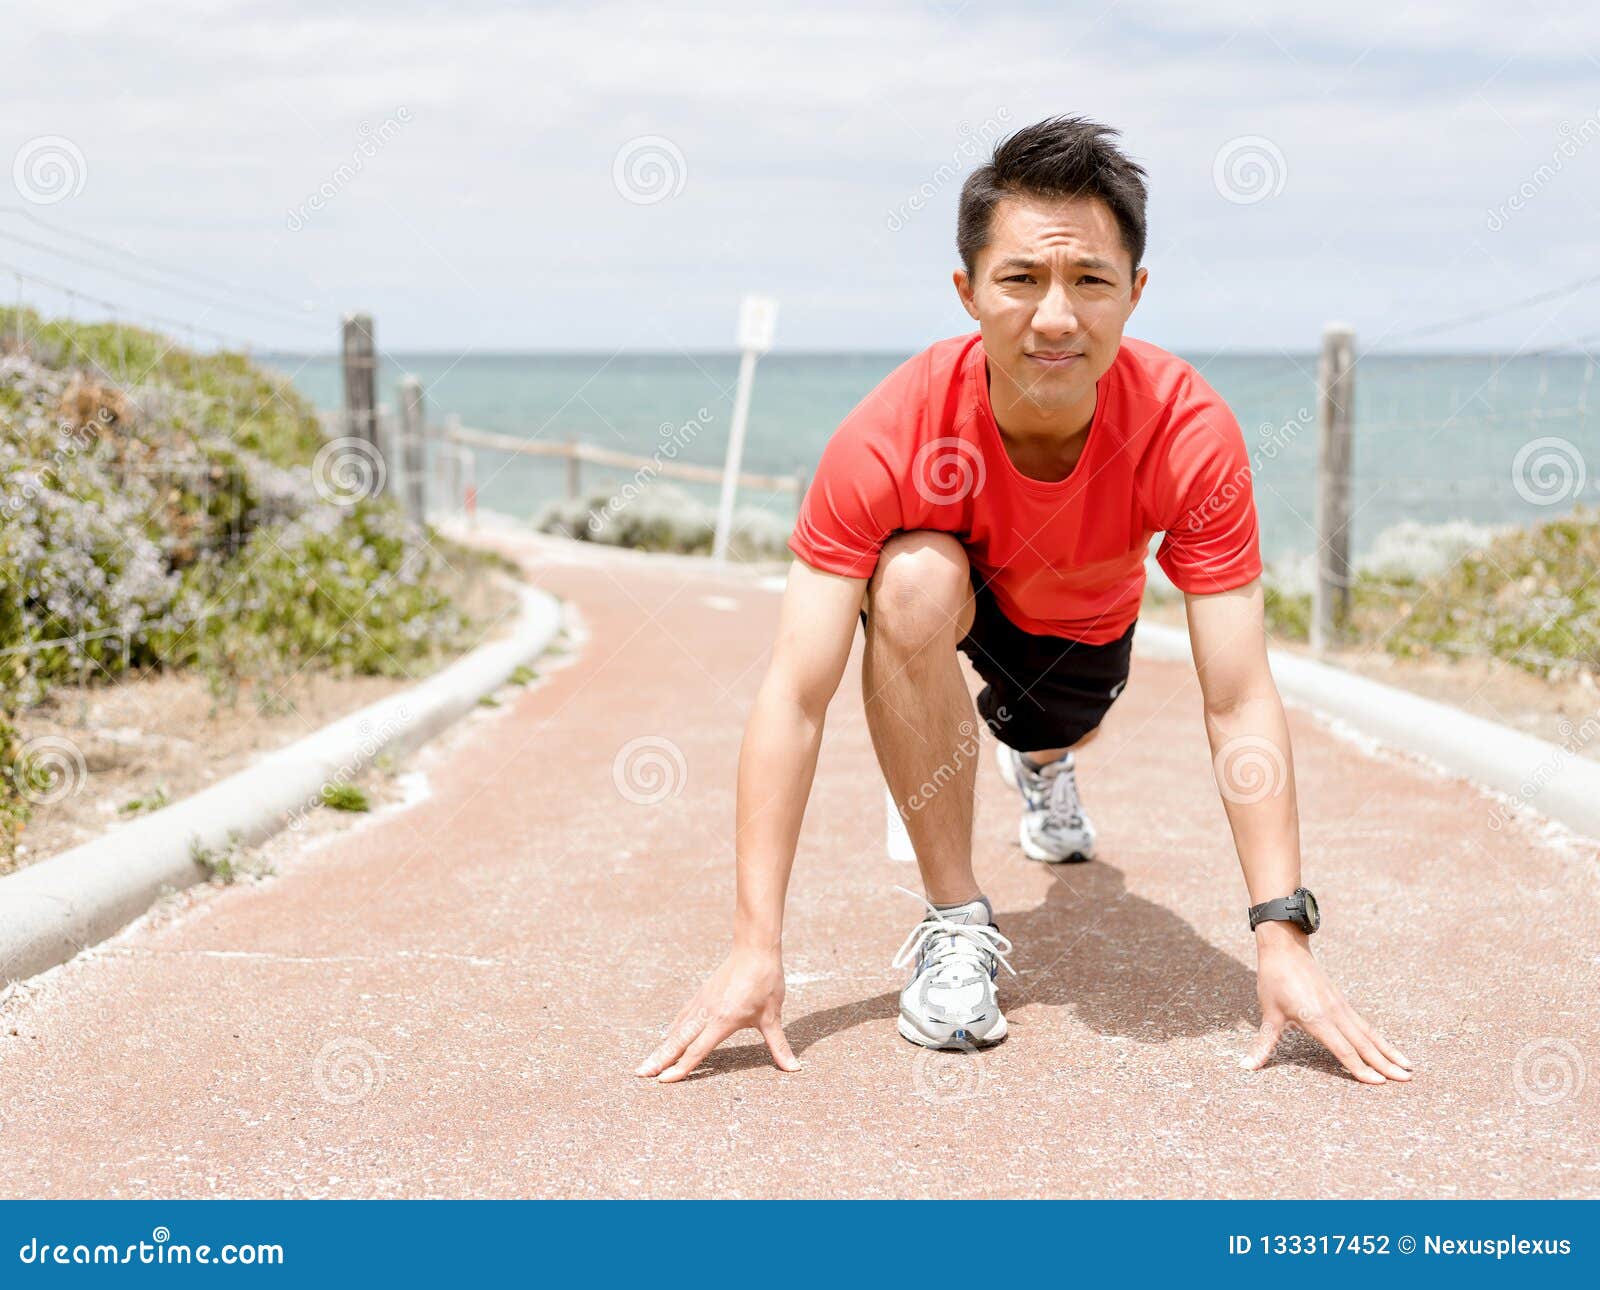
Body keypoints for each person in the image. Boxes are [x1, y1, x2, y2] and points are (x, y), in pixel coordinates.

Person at [636, 114, 1412, 1086]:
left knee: (1046, 735)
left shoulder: (1187, 433)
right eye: (1020, 280)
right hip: (955, 597)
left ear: (1135, 291)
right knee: (913, 580)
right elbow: (793, 695)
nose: (1054, 316)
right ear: (967, 292)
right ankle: (955, 916)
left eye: (1088, 280)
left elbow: (1237, 696)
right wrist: (755, 943)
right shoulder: (888, 432)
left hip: (1076, 637)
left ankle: (1042, 769)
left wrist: (1281, 934)